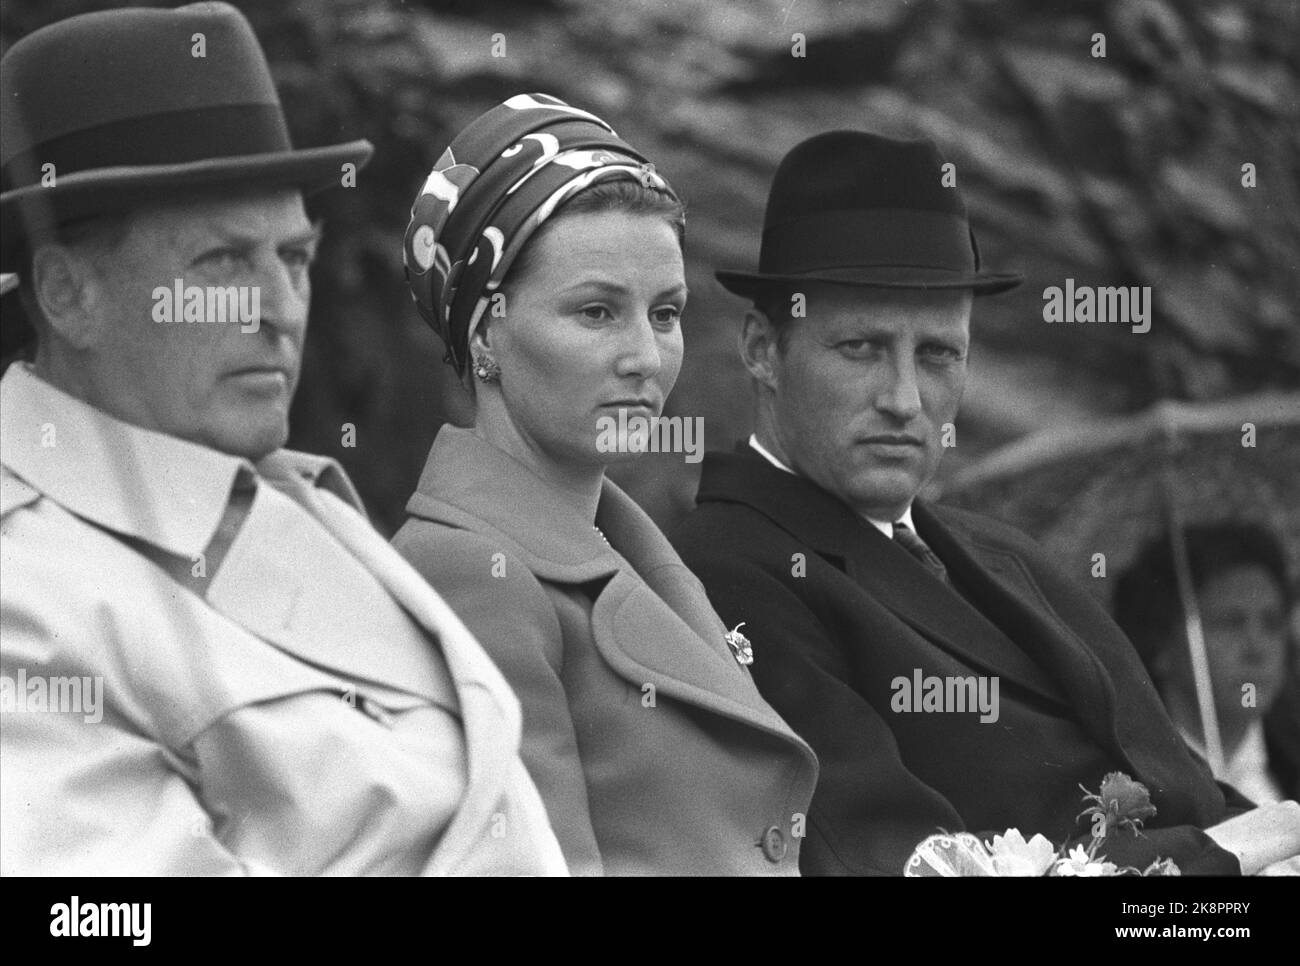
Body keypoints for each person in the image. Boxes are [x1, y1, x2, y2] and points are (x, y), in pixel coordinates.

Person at [0, 3, 565, 876]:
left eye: (293, 260)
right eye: (222, 264)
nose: (279, 310)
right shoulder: (24, 589)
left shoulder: (268, 490)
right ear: (70, 294)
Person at [669, 130, 1300, 875]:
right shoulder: (723, 571)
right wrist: (1223, 866)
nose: (904, 400)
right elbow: (899, 860)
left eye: (938, 354)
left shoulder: (1003, 553)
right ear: (760, 351)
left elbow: (1189, 791)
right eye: (861, 348)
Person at [392, 93, 818, 875]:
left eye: (665, 314)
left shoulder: (628, 553)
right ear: (488, 329)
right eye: (596, 313)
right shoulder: (469, 575)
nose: (646, 359)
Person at [1116, 523, 1300, 804]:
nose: (1256, 648)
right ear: (1161, 643)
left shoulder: (1289, 767)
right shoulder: (1125, 781)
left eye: (1272, 624)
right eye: (1230, 623)